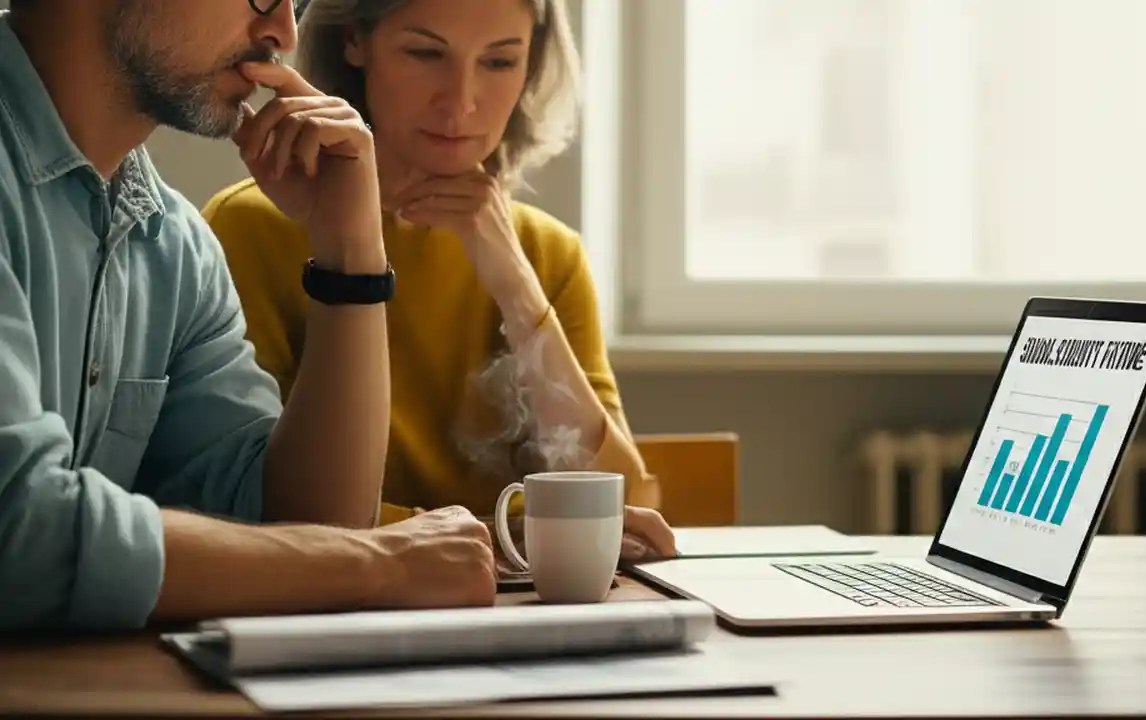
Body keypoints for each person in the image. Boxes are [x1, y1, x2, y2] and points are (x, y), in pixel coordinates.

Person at [0, 0, 500, 632]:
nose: (283, 34)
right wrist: (378, 566)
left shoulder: (173, 246)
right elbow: (16, 529)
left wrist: (350, 253)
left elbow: (297, 529)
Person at [203, 0, 677, 560]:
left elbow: (626, 502)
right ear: (355, 41)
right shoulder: (250, 227)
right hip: (335, 607)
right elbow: (260, 504)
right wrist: (504, 534)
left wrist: (516, 283)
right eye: (426, 53)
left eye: (499, 63)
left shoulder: (550, 254)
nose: (461, 102)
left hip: (511, 618)